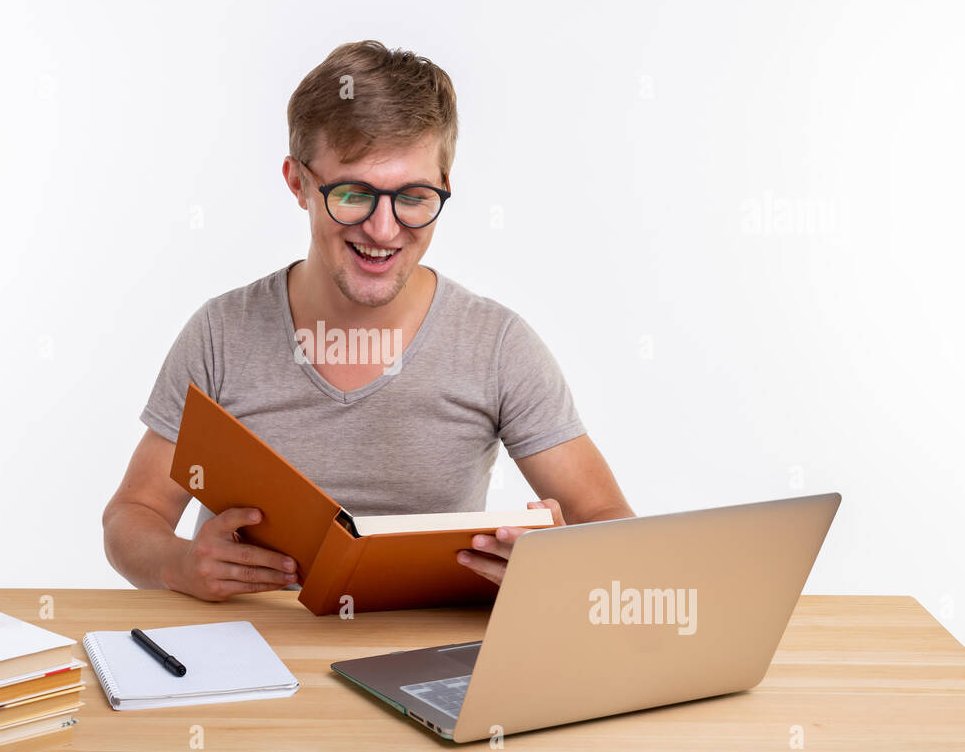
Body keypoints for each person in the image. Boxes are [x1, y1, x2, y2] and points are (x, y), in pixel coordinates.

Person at [103, 40, 633, 602]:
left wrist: (560, 565)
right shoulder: (220, 335)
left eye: (413, 196)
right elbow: (133, 514)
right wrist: (177, 563)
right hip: (251, 655)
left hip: (426, 663)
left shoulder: (497, 345)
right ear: (297, 183)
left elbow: (605, 515)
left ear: (445, 186)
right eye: (353, 193)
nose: (384, 230)